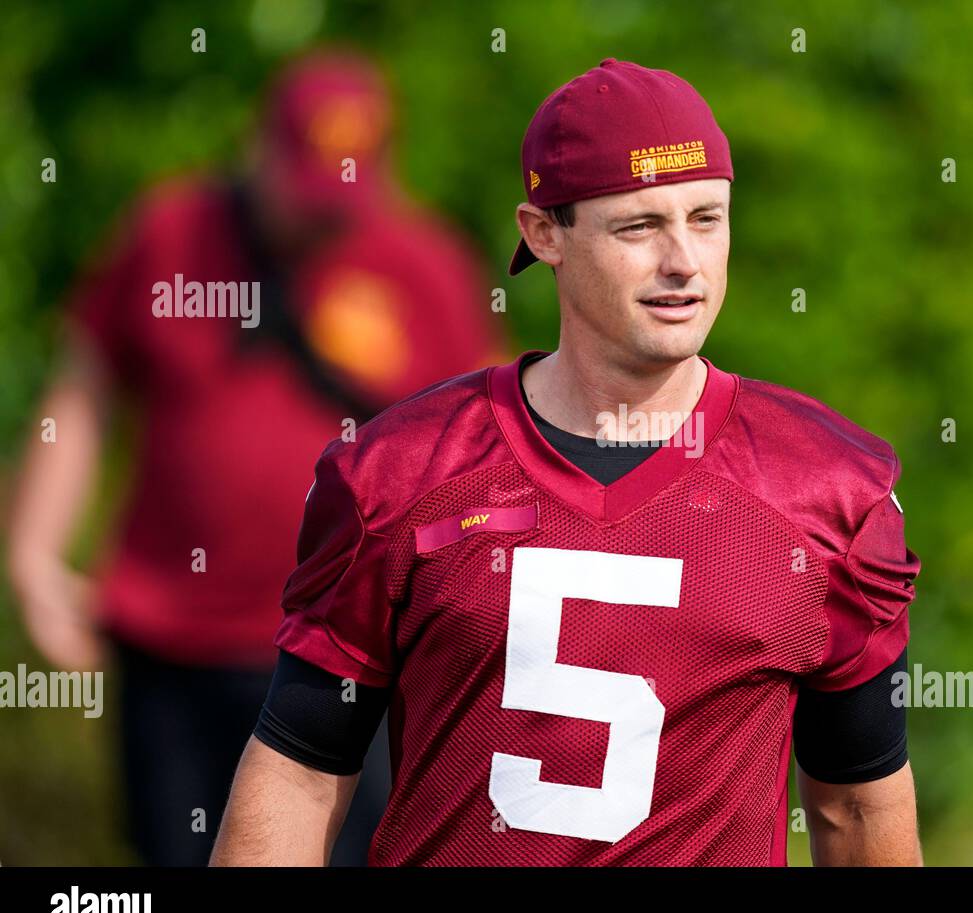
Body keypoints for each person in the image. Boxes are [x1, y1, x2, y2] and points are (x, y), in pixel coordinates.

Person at [211, 57, 922, 866]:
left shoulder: (826, 489)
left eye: (707, 218)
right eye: (639, 226)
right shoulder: (401, 473)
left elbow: (858, 807)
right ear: (544, 232)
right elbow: (302, 773)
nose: (684, 260)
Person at [7, 50, 508, 866]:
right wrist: (33, 556)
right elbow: (84, 395)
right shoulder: (171, 232)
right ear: (258, 148)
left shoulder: (428, 269)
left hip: (351, 658)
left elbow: (485, 453)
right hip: (171, 643)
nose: (322, 217)